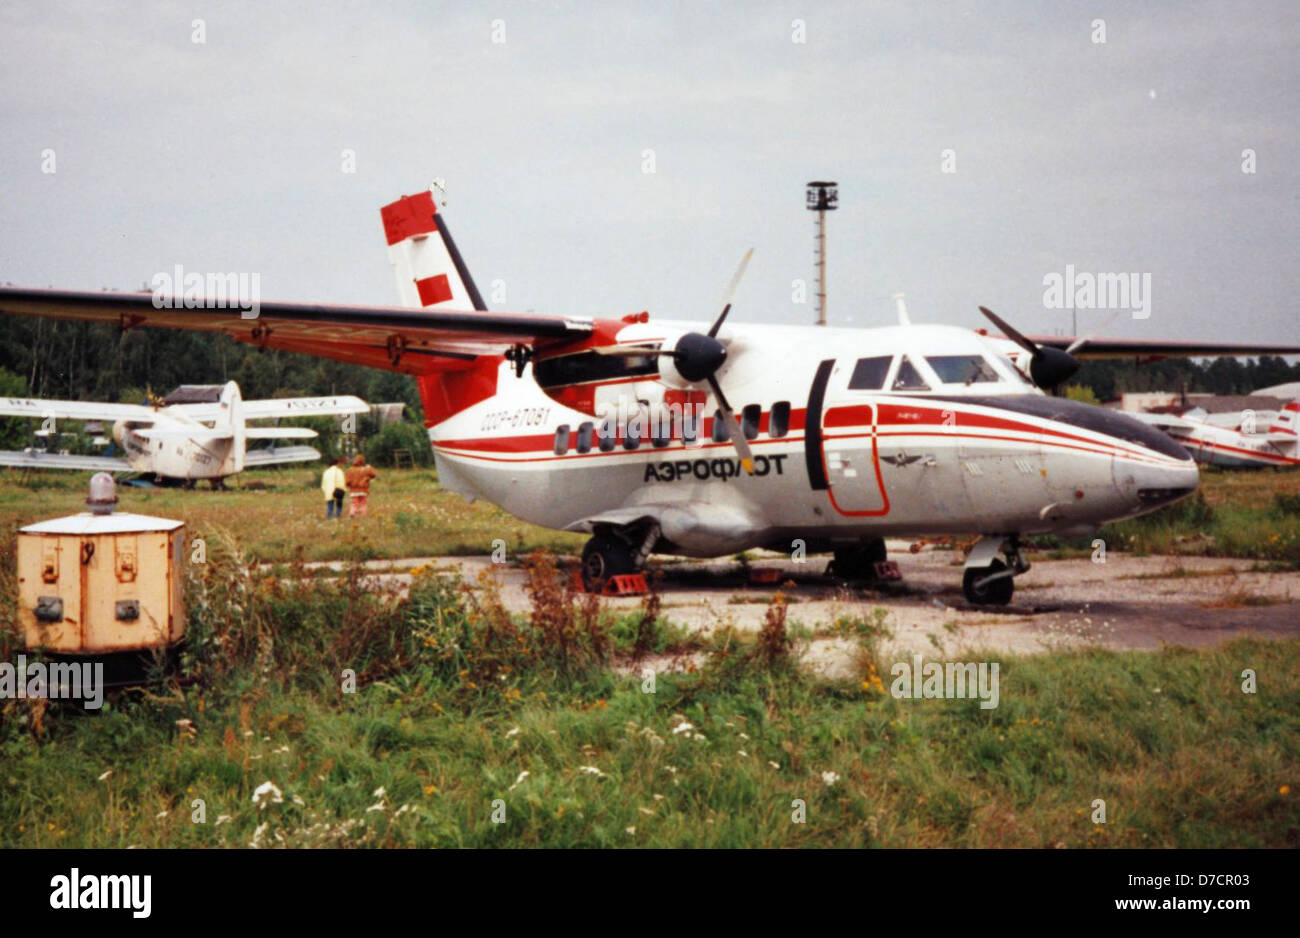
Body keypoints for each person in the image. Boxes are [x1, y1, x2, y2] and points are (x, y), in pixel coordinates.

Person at [345, 453, 378, 517]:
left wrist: (348, 485)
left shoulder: (351, 470)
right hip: (363, 490)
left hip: (353, 490)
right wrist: (370, 467)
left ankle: (352, 513)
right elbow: (374, 475)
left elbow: (347, 482)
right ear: (363, 462)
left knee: (354, 503)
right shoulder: (366, 469)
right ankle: (363, 515)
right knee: (363, 503)